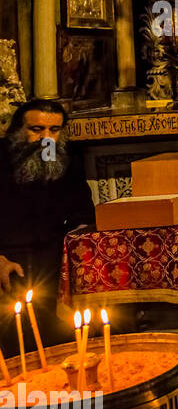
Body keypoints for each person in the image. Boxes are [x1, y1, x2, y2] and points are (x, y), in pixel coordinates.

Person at [0, 99, 95, 347]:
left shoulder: (67, 160)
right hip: (10, 262)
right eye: (37, 130)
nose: (46, 139)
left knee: (63, 341)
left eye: (54, 130)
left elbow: (83, 212)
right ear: (17, 131)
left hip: (55, 265)